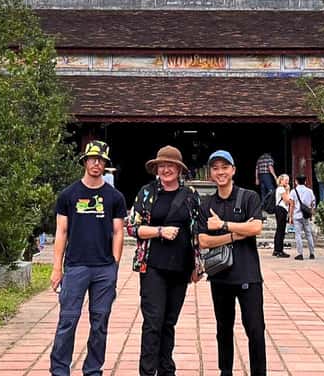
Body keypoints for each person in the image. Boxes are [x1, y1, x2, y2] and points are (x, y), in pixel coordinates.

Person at [49, 140, 127, 376]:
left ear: (105, 164)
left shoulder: (115, 197)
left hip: (104, 268)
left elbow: (118, 232)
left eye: (101, 160)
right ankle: (59, 370)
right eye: (92, 159)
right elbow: (61, 231)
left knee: (100, 322)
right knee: (68, 321)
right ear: (84, 161)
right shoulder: (69, 195)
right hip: (75, 267)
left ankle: (93, 369)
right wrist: (57, 268)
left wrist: (114, 265)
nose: (96, 163)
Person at [127, 145, 204, 376]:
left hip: (181, 266)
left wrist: (197, 265)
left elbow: (196, 231)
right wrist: (160, 231)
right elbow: (132, 227)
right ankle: (148, 371)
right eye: (162, 165)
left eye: (171, 165)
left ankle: (166, 369)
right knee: (153, 322)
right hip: (152, 265)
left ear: (179, 170)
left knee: (169, 322)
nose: (166, 169)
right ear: (156, 169)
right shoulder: (147, 193)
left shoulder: (190, 195)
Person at [200, 150, 266, 376]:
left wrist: (224, 225)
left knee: (255, 330)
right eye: (216, 168)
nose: (220, 172)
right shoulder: (207, 202)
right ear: (211, 174)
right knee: (223, 329)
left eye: (224, 167)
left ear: (233, 170)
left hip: (248, 275)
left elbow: (256, 227)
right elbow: (203, 240)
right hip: (220, 276)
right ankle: (225, 371)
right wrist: (236, 234)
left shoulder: (249, 197)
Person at [291, 174, 317, 261]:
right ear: (305, 181)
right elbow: (313, 203)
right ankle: (312, 253)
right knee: (308, 234)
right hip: (306, 215)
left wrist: (290, 216)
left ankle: (300, 254)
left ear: (296, 182)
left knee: (298, 235)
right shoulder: (309, 191)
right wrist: (311, 212)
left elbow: (292, 205)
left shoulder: (293, 191)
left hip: (297, 215)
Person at [271, 174, 292, 258]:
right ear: (281, 181)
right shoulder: (281, 189)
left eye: (288, 180)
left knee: (280, 230)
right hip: (281, 209)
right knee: (281, 230)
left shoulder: (280, 189)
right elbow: (287, 201)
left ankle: (277, 249)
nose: (287, 182)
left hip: (281, 209)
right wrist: (288, 190)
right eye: (285, 180)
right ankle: (279, 250)